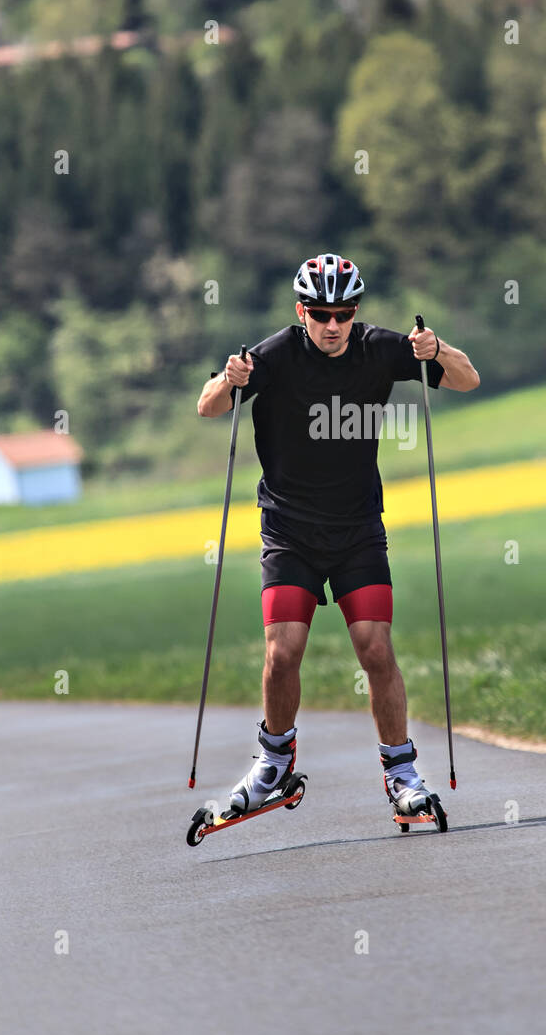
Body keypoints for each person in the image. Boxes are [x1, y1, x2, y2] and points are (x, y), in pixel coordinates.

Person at [196, 253, 479, 820]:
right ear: (301, 311)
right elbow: (208, 406)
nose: (333, 325)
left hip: (357, 530)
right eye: (321, 313)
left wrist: (437, 350)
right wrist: (231, 379)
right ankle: (274, 763)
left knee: (375, 647)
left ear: (356, 311)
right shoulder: (276, 354)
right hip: (289, 531)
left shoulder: (379, 347)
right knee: (282, 652)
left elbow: (468, 379)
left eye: (344, 313)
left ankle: (401, 774)